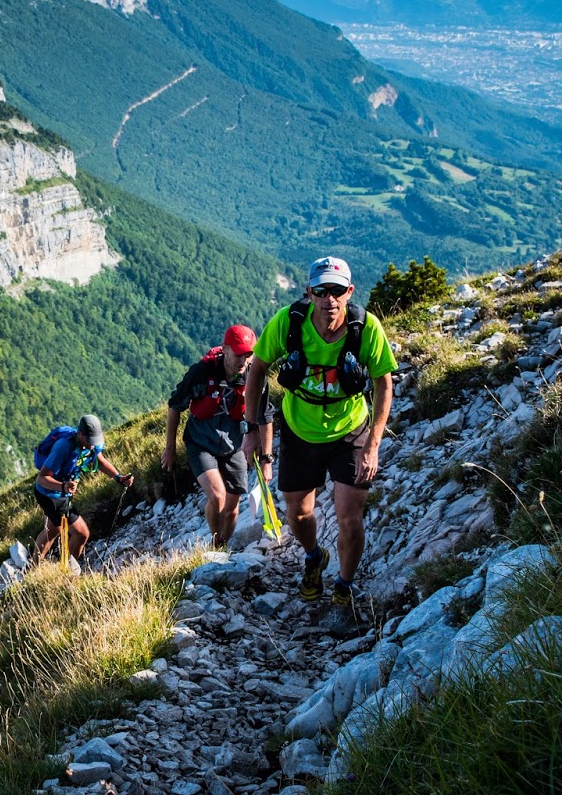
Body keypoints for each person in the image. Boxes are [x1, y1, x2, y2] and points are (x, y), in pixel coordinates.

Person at [244, 257, 397, 609]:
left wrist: (373, 444)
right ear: (309, 292)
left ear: (350, 292)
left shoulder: (366, 329)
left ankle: (344, 585)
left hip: (350, 431)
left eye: (338, 291)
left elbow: (383, 384)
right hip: (299, 429)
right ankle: (314, 557)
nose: (330, 299)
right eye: (322, 291)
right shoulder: (289, 323)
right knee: (297, 512)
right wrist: (251, 428)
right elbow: (258, 369)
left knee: (349, 516)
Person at [162, 324, 273, 548]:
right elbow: (175, 406)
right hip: (200, 442)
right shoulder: (202, 373)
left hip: (235, 445)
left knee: (232, 507)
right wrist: (170, 449)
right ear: (225, 349)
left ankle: (222, 545)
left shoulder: (254, 376)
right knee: (218, 496)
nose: (243, 360)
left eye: (248, 354)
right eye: (238, 354)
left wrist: (266, 459)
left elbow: (265, 416)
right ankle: (215, 542)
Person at [33, 414, 134, 562]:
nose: (92, 445)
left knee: (53, 529)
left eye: (95, 441)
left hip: (62, 492)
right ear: (80, 434)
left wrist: (118, 477)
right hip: (51, 494)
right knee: (82, 534)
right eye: (90, 441)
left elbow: (101, 461)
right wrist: (62, 487)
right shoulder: (63, 447)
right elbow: (41, 479)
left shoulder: (90, 445)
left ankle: (33, 567)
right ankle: (68, 571)